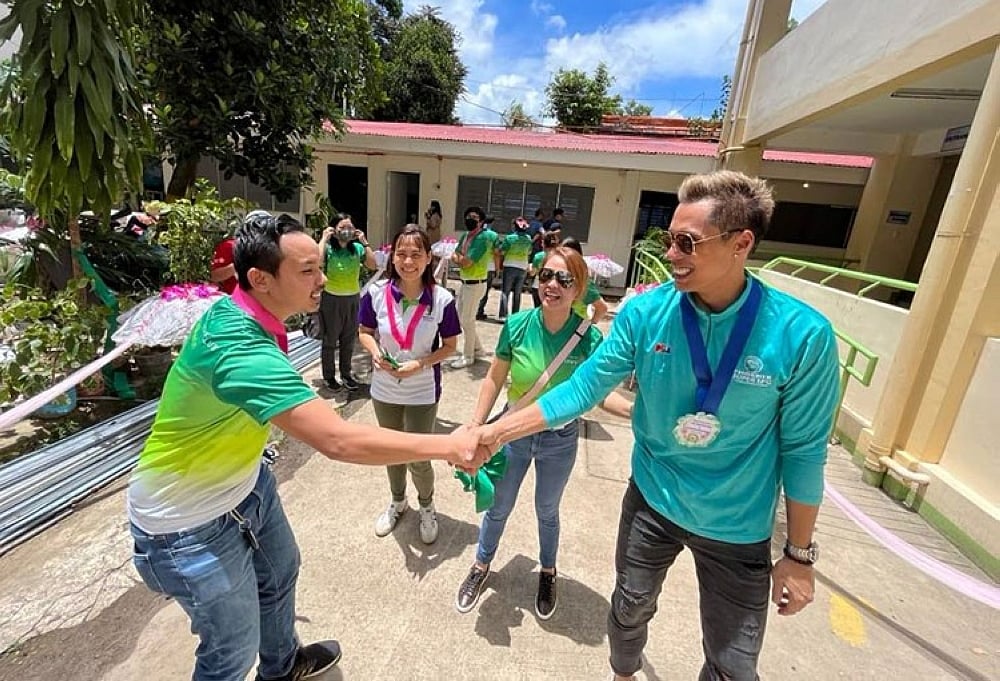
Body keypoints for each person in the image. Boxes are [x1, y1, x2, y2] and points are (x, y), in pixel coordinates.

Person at [476, 170, 841, 681]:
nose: (670, 254)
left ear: (741, 244)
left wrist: (799, 554)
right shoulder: (645, 313)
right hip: (652, 500)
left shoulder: (802, 335)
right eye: (670, 239)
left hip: (738, 525)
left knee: (734, 663)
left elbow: (803, 450)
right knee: (628, 611)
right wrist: (495, 432)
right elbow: (584, 387)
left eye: (687, 243)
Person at [127, 213, 489, 681]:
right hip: (188, 522)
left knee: (281, 573)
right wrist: (450, 445)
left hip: (247, 485)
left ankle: (283, 667)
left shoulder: (248, 315)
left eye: (320, 267)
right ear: (260, 279)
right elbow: (338, 439)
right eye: (307, 271)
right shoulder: (239, 348)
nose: (323, 280)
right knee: (232, 651)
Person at [455, 245, 604, 620]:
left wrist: (640, 410)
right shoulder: (518, 325)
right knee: (499, 505)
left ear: (578, 288)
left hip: (560, 439)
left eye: (564, 279)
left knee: (547, 510)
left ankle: (548, 571)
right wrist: (476, 424)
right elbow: (494, 378)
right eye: (546, 275)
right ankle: (481, 564)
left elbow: (601, 394)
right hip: (513, 433)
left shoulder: (589, 339)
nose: (552, 284)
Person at [357, 224, 461, 544]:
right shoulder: (376, 293)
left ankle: (427, 506)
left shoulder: (442, 299)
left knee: (419, 455)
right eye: (401, 253)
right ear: (392, 257)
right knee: (391, 451)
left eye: (416, 254)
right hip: (384, 387)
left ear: (429, 258)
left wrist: (420, 363)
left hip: (422, 389)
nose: (408, 261)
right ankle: (398, 501)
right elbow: (364, 332)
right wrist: (376, 353)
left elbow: (450, 346)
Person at [317, 213, 377, 391]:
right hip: (331, 299)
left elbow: (373, 265)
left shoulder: (357, 248)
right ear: (334, 229)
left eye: (350, 227)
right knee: (330, 339)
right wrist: (324, 239)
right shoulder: (328, 249)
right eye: (342, 227)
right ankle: (329, 376)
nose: (347, 231)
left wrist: (365, 242)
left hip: (352, 299)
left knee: (349, 339)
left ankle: (346, 374)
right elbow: (317, 263)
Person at [450, 206, 498, 368]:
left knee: (467, 320)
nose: (470, 220)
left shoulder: (482, 239)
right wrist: (459, 258)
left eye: (475, 217)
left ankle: (468, 356)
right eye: (468, 216)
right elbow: (456, 254)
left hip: (475, 283)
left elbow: (466, 262)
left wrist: (458, 259)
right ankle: (477, 349)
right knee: (463, 318)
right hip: (465, 282)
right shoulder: (465, 236)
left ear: (481, 221)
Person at [560, 236, 610, 324]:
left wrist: (588, 326)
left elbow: (602, 308)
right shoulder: (558, 277)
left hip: (574, 328)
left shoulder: (582, 282)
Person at [497, 216, 534, 320]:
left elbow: (502, 251)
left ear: (515, 227)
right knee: (517, 293)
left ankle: (503, 315)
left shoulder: (509, 238)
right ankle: (515, 316)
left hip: (509, 266)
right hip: (522, 267)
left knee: (506, 291)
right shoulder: (528, 239)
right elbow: (529, 252)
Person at [529, 231, 561, 308]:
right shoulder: (559, 256)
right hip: (554, 286)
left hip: (538, 285)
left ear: (543, 243)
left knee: (538, 309)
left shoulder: (538, 256)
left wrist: (530, 267)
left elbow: (532, 273)